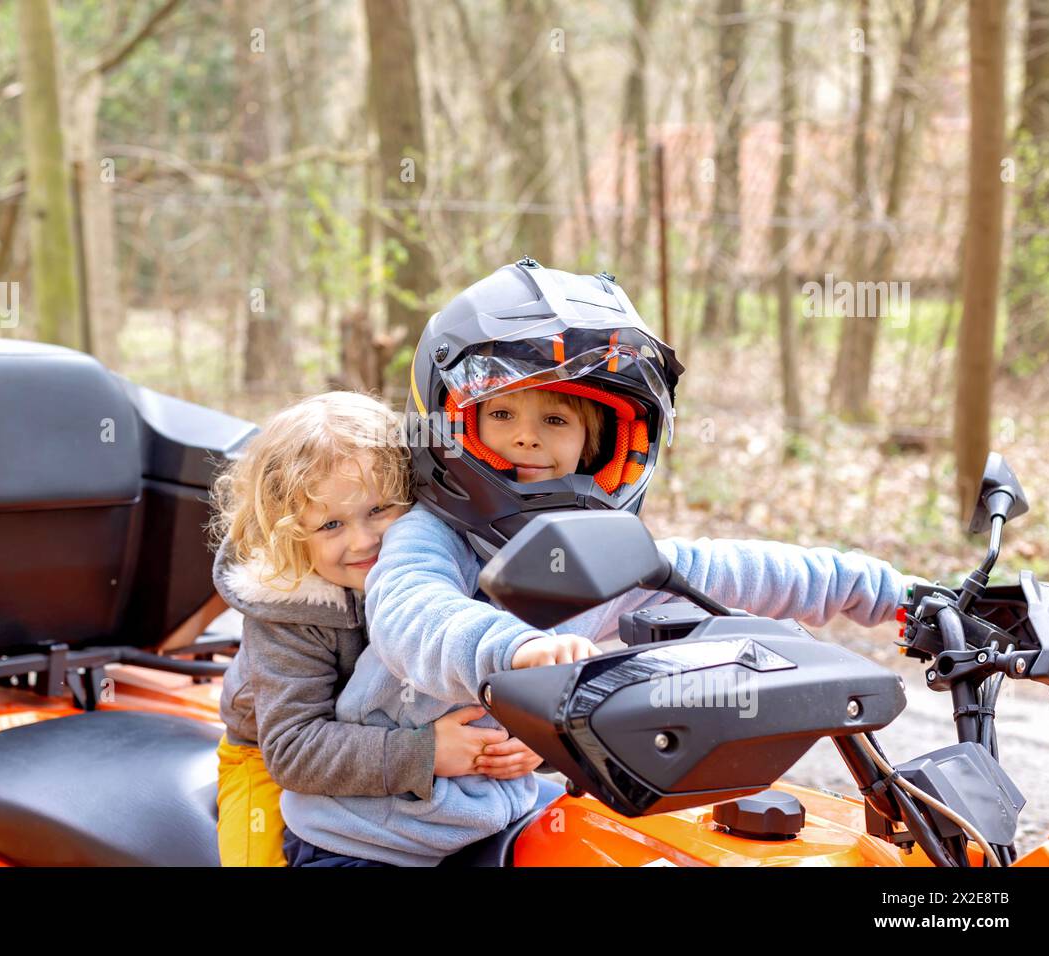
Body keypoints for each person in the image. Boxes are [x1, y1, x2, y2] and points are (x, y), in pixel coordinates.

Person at [279, 260, 926, 866]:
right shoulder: (431, 535)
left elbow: (740, 571)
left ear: (604, 442)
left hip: (501, 821)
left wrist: (898, 595)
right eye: (501, 412)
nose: (527, 434)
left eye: (555, 417)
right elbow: (415, 616)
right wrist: (513, 651)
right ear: (454, 422)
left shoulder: (602, 553)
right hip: (366, 838)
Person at [211, 390, 542, 867]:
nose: (364, 541)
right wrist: (422, 756)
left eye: (379, 510)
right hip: (269, 752)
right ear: (287, 533)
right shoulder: (284, 610)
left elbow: (472, 660)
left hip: (393, 736)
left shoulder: (430, 570)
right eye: (330, 525)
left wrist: (528, 744)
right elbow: (293, 749)